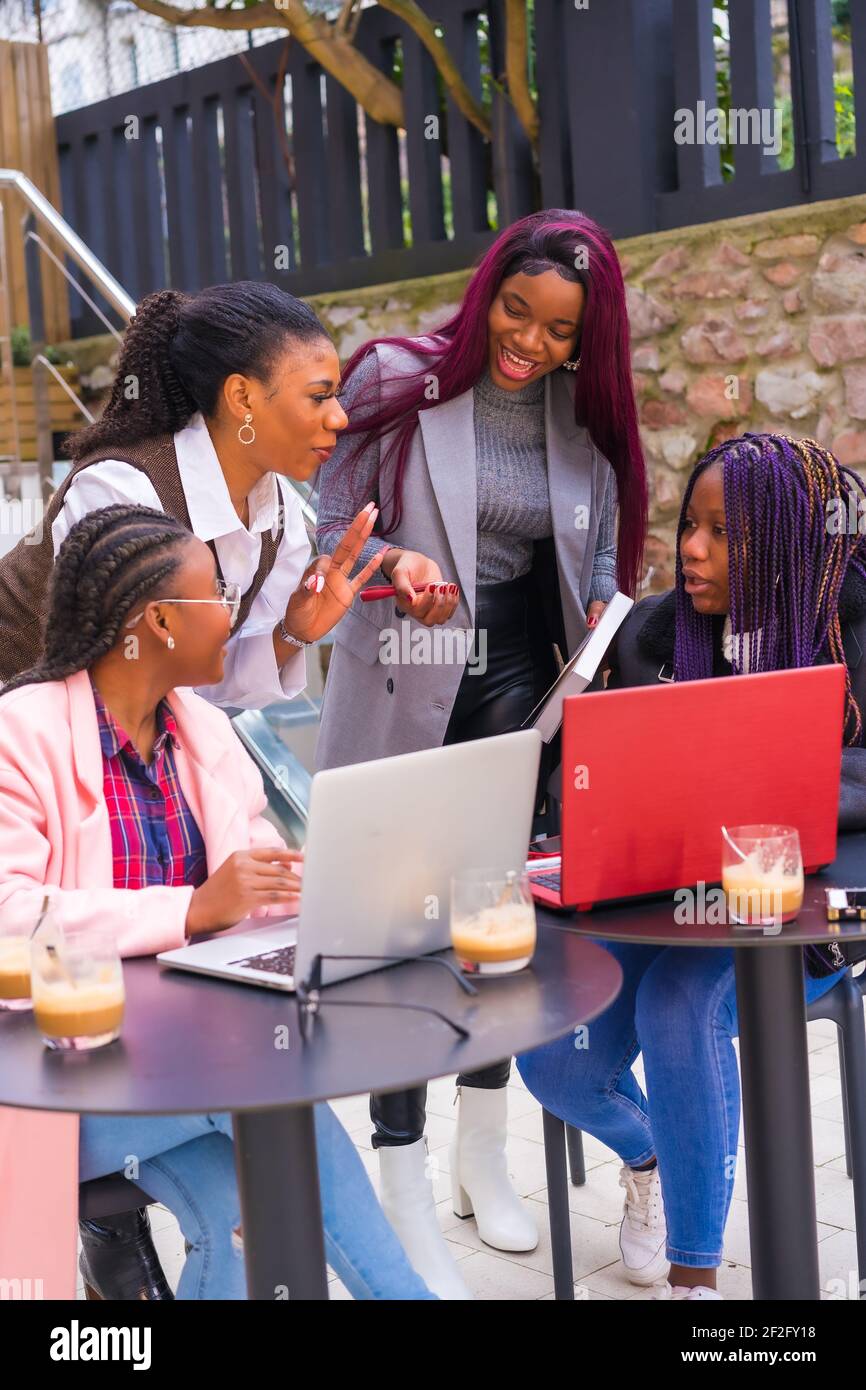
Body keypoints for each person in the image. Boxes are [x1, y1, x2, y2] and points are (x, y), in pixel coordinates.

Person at [0, 279, 386, 1296]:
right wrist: (196, 905)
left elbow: (212, 674)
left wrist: (298, 629)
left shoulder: (269, 520)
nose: (339, 416)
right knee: (264, 1097)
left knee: (244, 1174)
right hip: (27, 714)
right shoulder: (119, 496)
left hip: (124, 960)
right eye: (318, 393)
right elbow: (93, 661)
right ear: (241, 399)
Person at [313, 209, 647, 1296]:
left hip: (514, 678)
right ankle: (402, 1171)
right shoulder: (392, 381)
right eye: (517, 311)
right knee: (396, 929)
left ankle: (480, 1156)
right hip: (408, 663)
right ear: (485, 290)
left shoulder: (577, 424)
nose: (530, 343)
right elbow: (324, 530)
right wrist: (396, 561)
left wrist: (602, 611)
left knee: (493, 924)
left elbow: (593, 567)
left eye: (559, 331)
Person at [516, 433, 866, 1301]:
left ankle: (695, 1281)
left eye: (726, 533)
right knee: (553, 1058)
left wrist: (753, 789)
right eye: (690, 527)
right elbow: (584, 768)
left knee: (681, 1004)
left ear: (787, 540)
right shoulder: (651, 632)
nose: (693, 551)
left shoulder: (847, 624)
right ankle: (650, 1152)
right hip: (663, 896)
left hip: (798, 906)